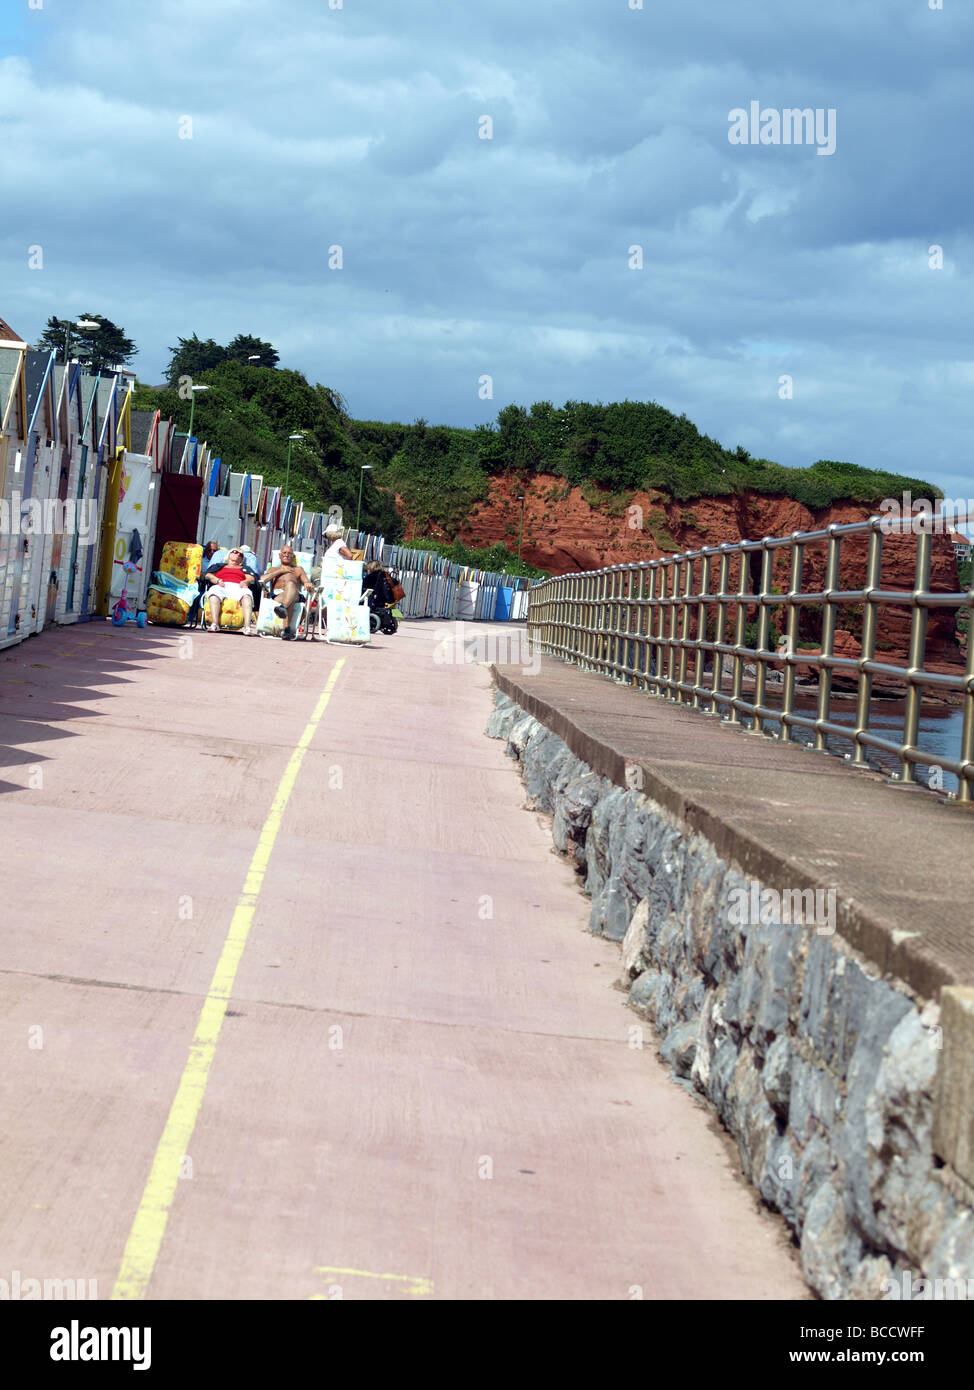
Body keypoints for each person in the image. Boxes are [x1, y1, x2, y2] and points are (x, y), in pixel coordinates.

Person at [260, 544, 313, 639]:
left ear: (293, 557)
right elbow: (262, 579)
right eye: (284, 553)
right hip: (278, 595)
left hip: (296, 594)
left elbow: (306, 581)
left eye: (289, 553)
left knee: (291, 585)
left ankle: (283, 608)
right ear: (280, 556)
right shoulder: (273, 569)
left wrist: (307, 584)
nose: (287, 555)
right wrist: (280, 571)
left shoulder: (298, 570)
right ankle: (286, 630)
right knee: (289, 599)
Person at [203, 548, 255, 633]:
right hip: (222, 585)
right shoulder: (219, 566)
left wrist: (246, 581)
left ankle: (247, 627)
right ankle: (215, 624)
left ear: (242, 559)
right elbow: (208, 575)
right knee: (213, 591)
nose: (238, 554)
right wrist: (217, 580)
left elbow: (251, 578)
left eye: (240, 554)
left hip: (239, 587)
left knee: (247, 595)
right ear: (229, 554)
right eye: (235, 552)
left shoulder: (245, 568)